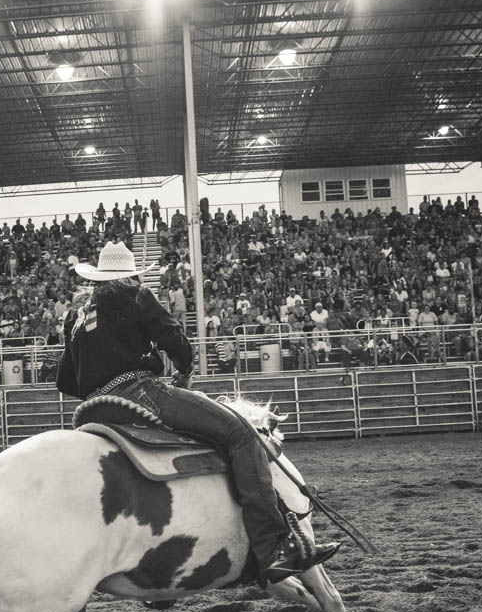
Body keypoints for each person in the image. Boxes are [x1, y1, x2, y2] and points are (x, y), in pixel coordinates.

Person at [56, 241, 338, 583]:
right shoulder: (136, 296)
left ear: (98, 277)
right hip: (139, 394)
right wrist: (184, 369)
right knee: (240, 434)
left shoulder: (76, 314)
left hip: (93, 411)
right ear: (130, 275)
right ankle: (274, 544)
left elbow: (66, 380)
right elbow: (173, 338)